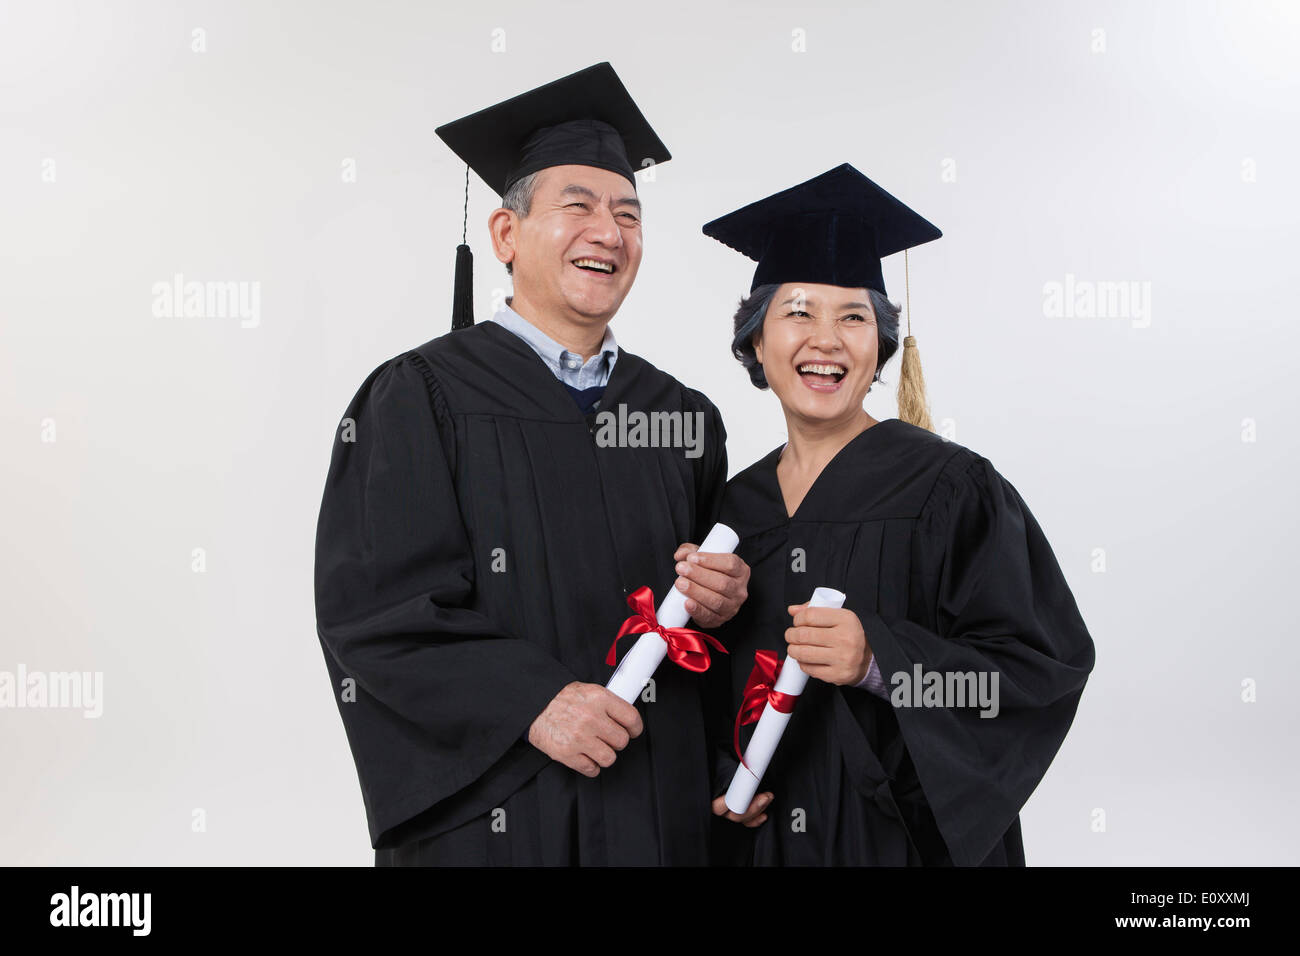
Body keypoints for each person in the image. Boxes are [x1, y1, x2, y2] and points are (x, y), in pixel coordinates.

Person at [313, 63, 750, 866]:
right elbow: (377, 614)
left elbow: (704, 631)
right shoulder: (420, 396)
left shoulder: (682, 417)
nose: (609, 232)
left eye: (628, 213)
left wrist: (722, 605)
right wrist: (531, 702)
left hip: (658, 814)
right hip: (501, 821)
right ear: (507, 237)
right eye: (576, 206)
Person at [703, 164, 1095, 865]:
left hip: (900, 846)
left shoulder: (951, 488)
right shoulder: (732, 509)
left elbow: (1042, 668)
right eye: (798, 312)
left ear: (882, 345)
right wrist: (716, 774)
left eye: (853, 317)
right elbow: (698, 690)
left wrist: (882, 661)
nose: (825, 339)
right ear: (756, 342)